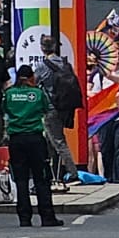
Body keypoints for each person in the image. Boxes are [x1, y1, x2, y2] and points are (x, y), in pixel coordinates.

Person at [3, 64, 62, 228]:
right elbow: (45, 110)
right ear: (31, 77)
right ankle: (47, 216)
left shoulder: (9, 94)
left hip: (16, 139)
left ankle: (24, 217)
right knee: (41, 179)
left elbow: (5, 110)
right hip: (35, 138)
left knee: (21, 180)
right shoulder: (37, 93)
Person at [34, 35, 82, 189]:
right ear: (54, 47)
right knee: (50, 142)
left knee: (59, 142)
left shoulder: (42, 66)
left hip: (50, 109)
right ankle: (53, 176)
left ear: (42, 48)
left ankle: (73, 173)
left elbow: (34, 83)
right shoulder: (65, 63)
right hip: (65, 109)